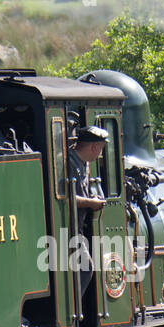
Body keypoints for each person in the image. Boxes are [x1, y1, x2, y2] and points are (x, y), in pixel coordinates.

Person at [67, 125, 109, 315]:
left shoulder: (83, 164)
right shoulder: (68, 163)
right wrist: (90, 203)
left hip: (77, 228)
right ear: (94, 147)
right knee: (86, 267)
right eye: (100, 149)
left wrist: (92, 197)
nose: (100, 154)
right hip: (66, 230)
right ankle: (73, 314)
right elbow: (63, 198)